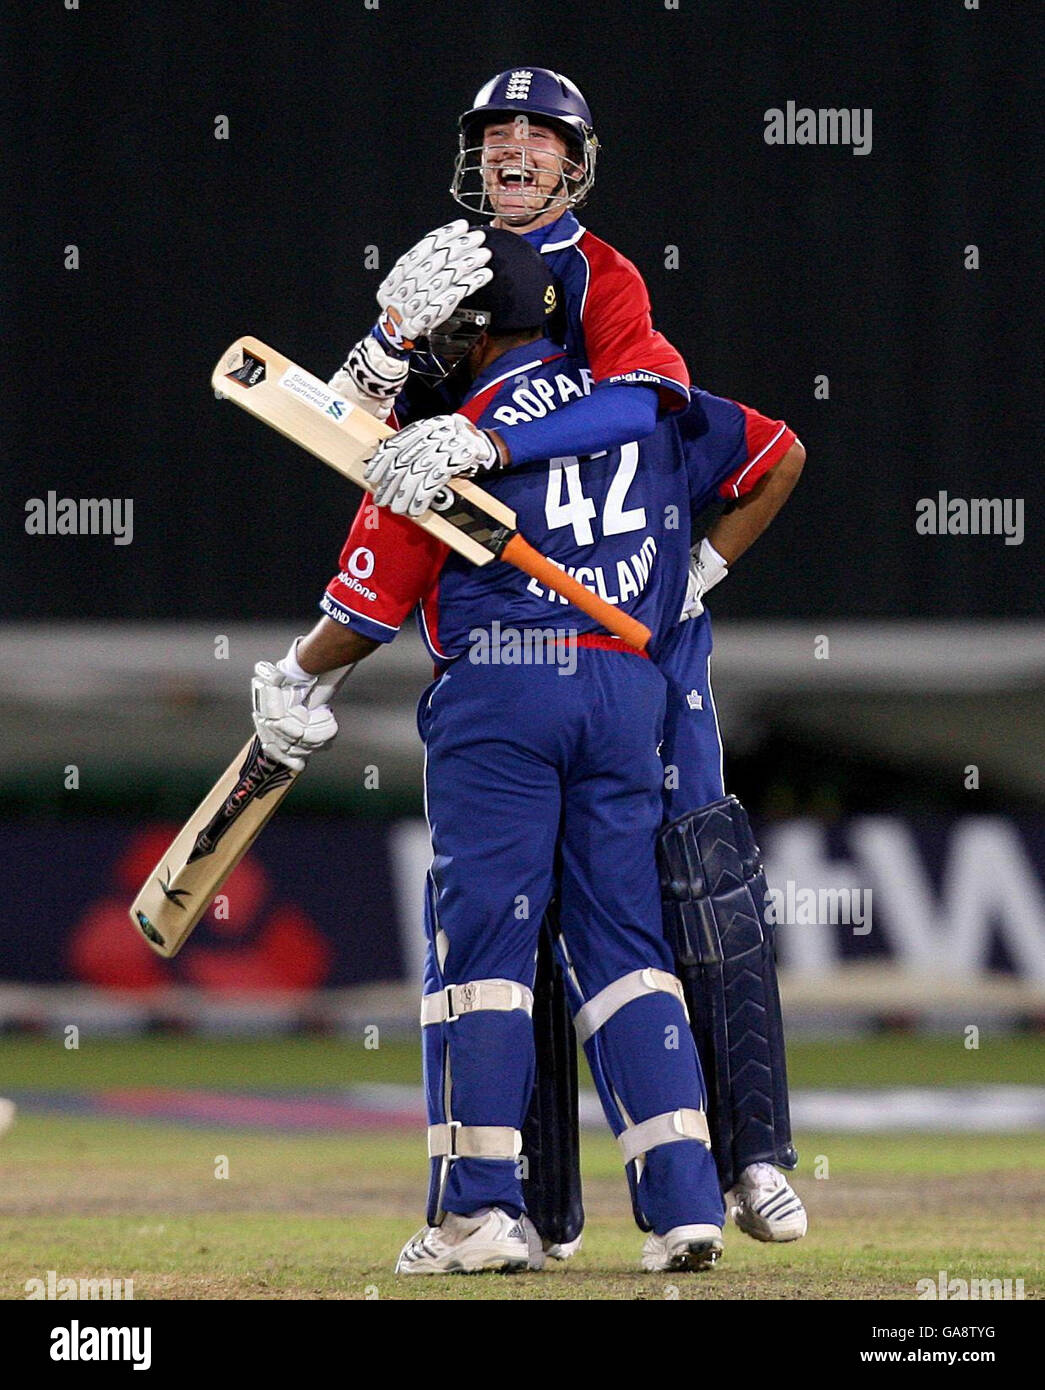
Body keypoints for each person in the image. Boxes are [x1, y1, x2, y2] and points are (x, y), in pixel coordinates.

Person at [326, 67, 809, 1248]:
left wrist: (466, 431)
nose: (512, 149)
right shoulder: (464, 361)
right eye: (495, 132)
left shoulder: (596, 299)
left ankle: (715, 1165)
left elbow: (651, 398)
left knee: (648, 903)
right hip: (618, 666)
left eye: (538, 135)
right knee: (626, 935)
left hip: (554, 659)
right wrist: (385, 352)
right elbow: (360, 421)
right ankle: (667, 1203)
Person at [254, 233, 729, 1274]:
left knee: (483, 958)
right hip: (624, 691)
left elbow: (365, 605)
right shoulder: (633, 408)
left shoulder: (451, 433)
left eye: (434, 332)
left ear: (467, 331)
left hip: (502, 695)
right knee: (623, 945)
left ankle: (477, 1213)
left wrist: (296, 675)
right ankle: (686, 1205)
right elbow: (757, 453)